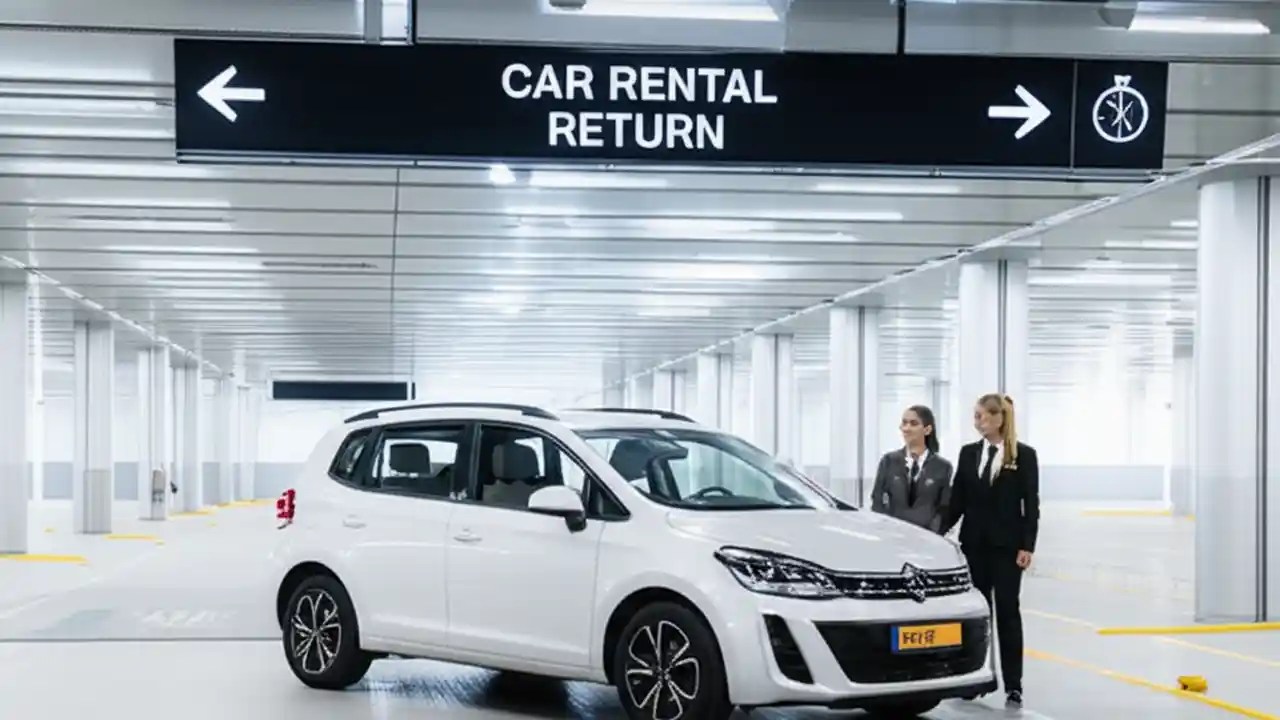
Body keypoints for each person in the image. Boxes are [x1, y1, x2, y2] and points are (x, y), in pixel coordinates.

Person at [941, 393, 1040, 709]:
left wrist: (1028, 545)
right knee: (977, 615)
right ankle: (974, 678)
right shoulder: (968, 454)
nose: (977, 421)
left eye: (982, 415)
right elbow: (958, 499)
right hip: (974, 546)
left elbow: (1031, 505)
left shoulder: (1023, 456)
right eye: (975, 415)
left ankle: (1014, 685)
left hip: (1008, 549)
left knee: (1008, 614)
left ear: (1000, 419)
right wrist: (936, 532)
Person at [870, 405, 952, 533]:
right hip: (893, 535)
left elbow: (944, 508)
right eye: (904, 423)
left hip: (928, 537)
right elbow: (877, 501)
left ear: (927, 429)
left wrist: (934, 534)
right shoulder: (889, 461)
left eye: (913, 424)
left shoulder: (942, 467)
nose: (906, 428)